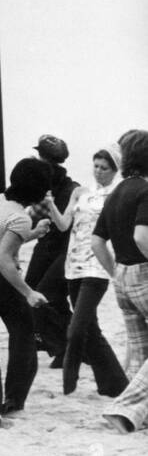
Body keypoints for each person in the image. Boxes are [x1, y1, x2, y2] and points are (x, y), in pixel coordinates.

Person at [0, 159, 54, 426]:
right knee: (24, 338)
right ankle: (14, 402)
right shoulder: (21, 216)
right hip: (2, 281)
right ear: (38, 191)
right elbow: (4, 259)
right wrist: (28, 292)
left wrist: (33, 234)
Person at [56, 147, 127, 397]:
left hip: (97, 267)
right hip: (73, 265)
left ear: (115, 170)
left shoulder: (116, 195)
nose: (98, 171)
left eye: (104, 168)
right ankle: (115, 385)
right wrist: (48, 206)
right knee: (90, 329)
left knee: (76, 329)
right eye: (95, 165)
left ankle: (68, 380)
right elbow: (64, 224)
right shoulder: (81, 193)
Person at [91, 130, 148, 433]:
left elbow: (97, 242)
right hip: (143, 271)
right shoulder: (145, 190)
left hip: (122, 277)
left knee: (140, 351)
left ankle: (139, 416)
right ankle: (124, 408)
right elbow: (142, 236)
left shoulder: (116, 192)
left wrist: (117, 272)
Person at [27, 135, 80, 366]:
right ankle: (63, 344)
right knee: (31, 291)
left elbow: (64, 224)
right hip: (48, 245)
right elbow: (32, 217)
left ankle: (68, 346)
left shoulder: (71, 189)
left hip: (65, 249)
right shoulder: (46, 184)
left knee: (49, 294)